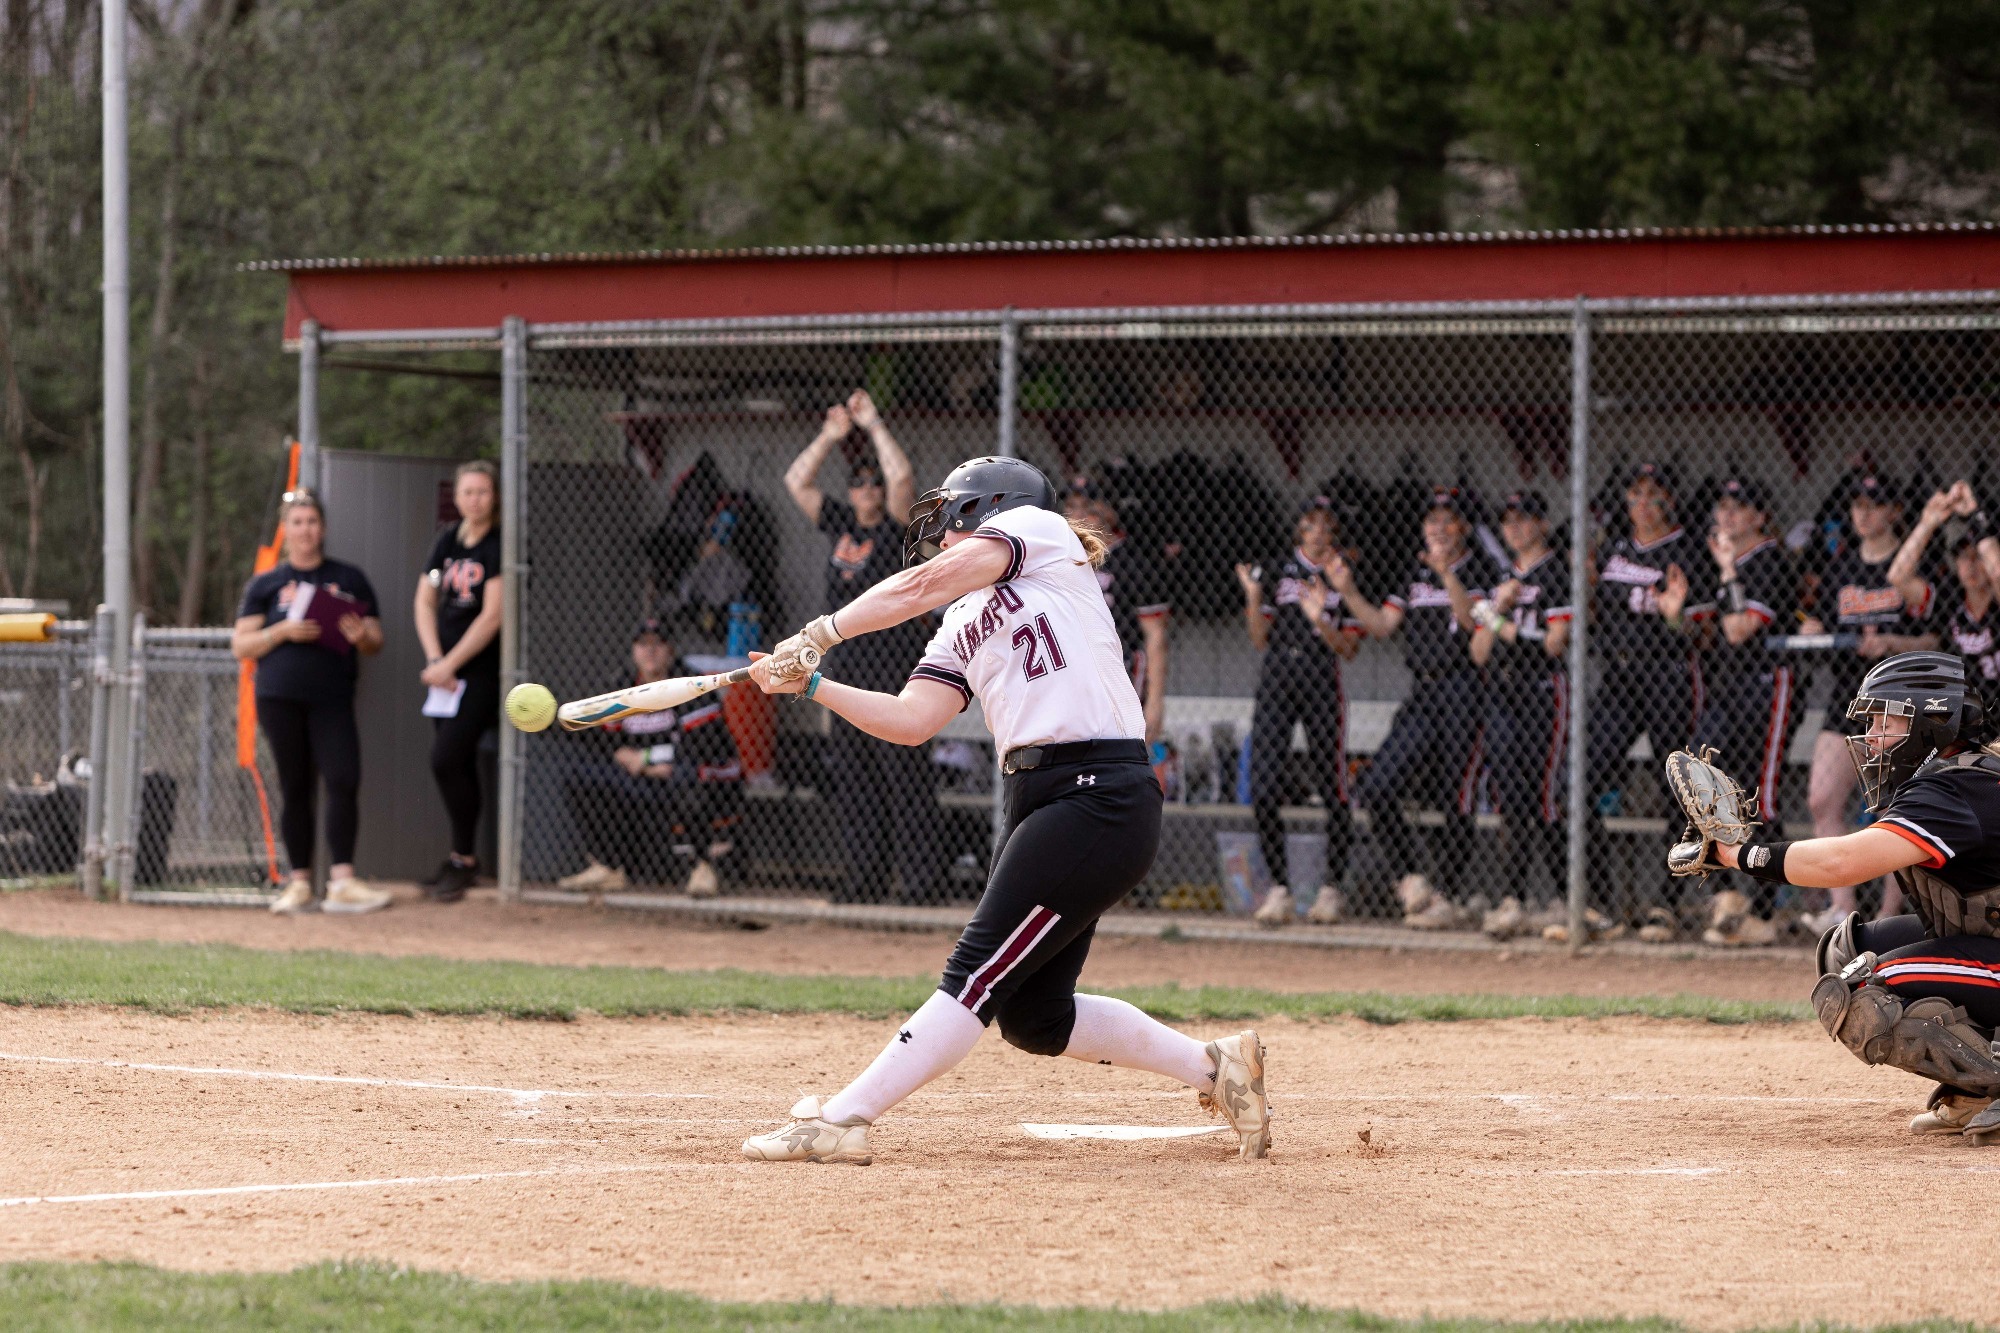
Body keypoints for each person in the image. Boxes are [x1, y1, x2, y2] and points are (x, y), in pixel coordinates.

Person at [737, 456, 1271, 1164]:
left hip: (1097, 791)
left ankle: (843, 1118)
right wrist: (813, 685)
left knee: (975, 973)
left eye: (952, 517)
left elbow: (920, 584)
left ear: (988, 508)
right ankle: (1217, 1068)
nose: (941, 534)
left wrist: (820, 632)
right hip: (1040, 797)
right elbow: (912, 719)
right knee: (1033, 1015)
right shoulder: (962, 616)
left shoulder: (1040, 532)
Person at [1676, 651, 2000, 1142]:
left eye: (1885, 721)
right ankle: (1982, 1089)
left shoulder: (1958, 789)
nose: (1871, 737)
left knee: (1862, 986)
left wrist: (1739, 855)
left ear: (1931, 724)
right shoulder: (1952, 779)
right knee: (1845, 950)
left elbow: (1841, 862)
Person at [783, 390, 944, 905]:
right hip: (847, 668)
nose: (867, 489)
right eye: (858, 483)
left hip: (895, 668)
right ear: (850, 492)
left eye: (872, 482)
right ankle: (864, 880)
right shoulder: (839, 522)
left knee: (904, 776)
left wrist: (873, 425)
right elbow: (796, 482)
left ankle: (920, 884)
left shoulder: (900, 530)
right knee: (855, 779)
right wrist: (829, 436)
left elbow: (901, 479)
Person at [1341, 488, 1502, 929]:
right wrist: (1348, 592)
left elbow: (1472, 624)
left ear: (1464, 528)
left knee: (1457, 795)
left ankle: (1448, 895)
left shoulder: (1481, 570)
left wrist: (1447, 574)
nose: (1439, 529)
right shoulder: (1414, 573)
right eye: (1432, 521)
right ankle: (1413, 880)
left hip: (1465, 689)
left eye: (1448, 521)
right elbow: (1382, 625)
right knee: (1377, 785)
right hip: (1424, 691)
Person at [231, 489, 390, 915]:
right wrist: (282, 631)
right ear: (286, 530)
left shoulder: (349, 577)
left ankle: (342, 883)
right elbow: (241, 644)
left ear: (323, 528)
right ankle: (299, 883)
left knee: (342, 778)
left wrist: (362, 637)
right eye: (297, 522)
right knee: (295, 787)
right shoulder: (266, 584)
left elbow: (376, 640)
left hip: (332, 698)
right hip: (279, 698)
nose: (305, 530)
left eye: (312, 522)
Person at [1800, 473, 1938, 930]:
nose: (1863, 513)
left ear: (1894, 511)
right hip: (1848, 696)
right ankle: (1842, 909)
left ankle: (1886, 917)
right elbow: (1818, 620)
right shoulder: (1841, 566)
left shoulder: (1913, 564)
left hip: (1898, 702)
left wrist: (1893, 644)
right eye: (1857, 504)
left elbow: (1937, 638)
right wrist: (1812, 629)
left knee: (1892, 809)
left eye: (1874, 504)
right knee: (1822, 798)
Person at [1585, 462, 1712, 929]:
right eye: (1634, 493)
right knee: (1581, 779)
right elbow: (1597, 611)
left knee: (1677, 789)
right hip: (1618, 678)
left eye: (1652, 494)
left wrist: (1674, 618)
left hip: (1667, 675)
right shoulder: (1614, 548)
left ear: (1669, 502)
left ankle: (1666, 902)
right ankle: (1597, 902)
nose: (1642, 503)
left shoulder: (1687, 552)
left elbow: (1702, 634)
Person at [1683, 477, 1802, 947]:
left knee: (1761, 795)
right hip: (1728, 687)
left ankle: (1766, 910)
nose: (1728, 516)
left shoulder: (1768, 559)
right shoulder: (1722, 563)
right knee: (1714, 786)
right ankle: (1734, 899)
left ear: (1759, 517)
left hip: (1767, 685)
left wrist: (1728, 569)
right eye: (1724, 507)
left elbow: (1739, 629)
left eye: (1740, 508)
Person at [1231, 499, 1361, 927]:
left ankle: (1331, 889)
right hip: (1277, 678)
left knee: (1332, 784)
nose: (1318, 533)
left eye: (1326, 526)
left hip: (1321, 678)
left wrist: (1321, 618)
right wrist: (1253, 597)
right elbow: (1259, 638)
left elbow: (1349, 648)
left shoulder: (1341, 576)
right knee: (1264, 785)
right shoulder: (1277, 571)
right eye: (1310, 525)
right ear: (1300, 531)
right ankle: (1280, 889)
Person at [556, 618, 742, 895]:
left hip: (710, 776)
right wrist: (626, 756)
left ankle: (703, 867)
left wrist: (643, 759)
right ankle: (609, 866)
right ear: (634, 651)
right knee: (581, 777)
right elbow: (608, 739)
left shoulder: (691, 684)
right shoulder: (624, 685)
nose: (650, 651)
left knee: (686, 775)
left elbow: (699, 748)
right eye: (643, 644)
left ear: (670, 650)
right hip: (652, 776)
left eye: (658, 644)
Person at [1467, 492, 1572, 940]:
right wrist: (1498, 608)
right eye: (1507, 521)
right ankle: (1513, 900)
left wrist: (1498, 622)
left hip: (1543, 691)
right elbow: (1478, 652)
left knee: (1543, 797)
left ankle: (1570, 900)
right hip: (1503, 693)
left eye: (1524, 519)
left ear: (1542, 524)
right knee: (1510, 798)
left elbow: (1553, 643)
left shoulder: (1556, 573)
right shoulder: (1501, 578)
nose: (1514, 528)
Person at [413, 460, 505, 904]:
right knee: (457, 763)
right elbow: (425, 600)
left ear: (495, 496)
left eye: (483, 492)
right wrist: (435, 660)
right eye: (468, 492)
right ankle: (462, 858)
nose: (475, 500)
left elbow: (492, 616)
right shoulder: (447, 540)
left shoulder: (498, 544)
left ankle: (465, 858)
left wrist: (451, 664)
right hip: (443, 676)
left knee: (445, 758)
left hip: (479, 674)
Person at [1066, 474, 1171, 747]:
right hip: (1070, 667)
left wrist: (1155, 702)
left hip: (1119, 668)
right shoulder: (1059, 559)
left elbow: (1156, 635)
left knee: (1117, 747)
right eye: (1072, 507)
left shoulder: (1134, 561)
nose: (1078, 516)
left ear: (1109, 512)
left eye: (1088, 508)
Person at [1892, 481, 2000, 735]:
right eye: (1963, 556)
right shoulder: (1950, 598)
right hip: (1966, 718)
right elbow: (1898, 577)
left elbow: (1996, 572)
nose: (1970, 565)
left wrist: (1976, 514)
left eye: (1977, 556)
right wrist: (1927, 523)